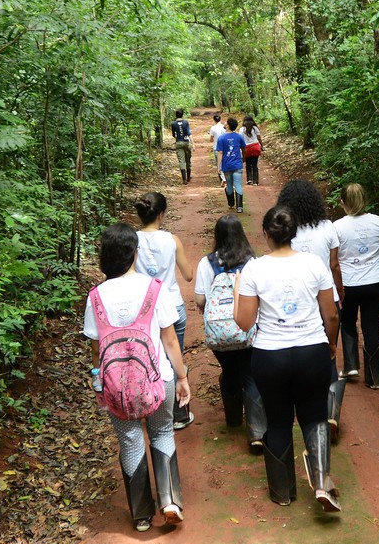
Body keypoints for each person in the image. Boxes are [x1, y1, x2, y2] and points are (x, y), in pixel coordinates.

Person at [84, 223, 192, 532]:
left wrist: (97, 383)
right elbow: (170, 340)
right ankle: (170, 500)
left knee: (129, 440)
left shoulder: (96, 297)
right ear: (134, 253)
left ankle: (142, 515)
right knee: (161, 433)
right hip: (158, 378)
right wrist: (182, 377)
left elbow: (96, 351)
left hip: (116, 387)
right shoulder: (153, 288)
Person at [235, 206, 341, 512]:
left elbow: (244, 322)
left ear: (266, 235)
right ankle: (321, 484)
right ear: (294, 234)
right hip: (312, 351)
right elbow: (331, 313)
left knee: (278, 421)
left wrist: (239, 287)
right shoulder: (314, 264)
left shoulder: (255, 269)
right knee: (314, 417)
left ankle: (282, 491)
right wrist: (330, 345)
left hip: (270, 356)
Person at [277, 179, 345, 442]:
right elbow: (334, 264)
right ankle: (330, 413)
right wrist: (341, 290)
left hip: (299, 299)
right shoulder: (328, 228)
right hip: (328, 298)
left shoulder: (285, 230)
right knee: (329, 354)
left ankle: (303, 404)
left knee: (302, 347)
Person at [193, 215, 266, 451]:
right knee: (250, 374)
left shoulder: (207, 263)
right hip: (247, 331)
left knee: (229, 371)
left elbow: (200, 298)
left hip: (220, 335)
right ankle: (256, 432)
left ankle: (234, 419)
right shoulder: (252, 262)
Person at [134, 192, 196, 427]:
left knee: (148, 357)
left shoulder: (132, 240)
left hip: (144, 309)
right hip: (172, 305)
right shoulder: (172, 240)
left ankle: (151, 407)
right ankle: (178, 414)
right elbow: (189, 276)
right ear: (161, 214)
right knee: (173, 357)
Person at [334, 184, 379, 389]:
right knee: (371, 325)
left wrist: (338, 286)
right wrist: (378, 273)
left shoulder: (338, 227)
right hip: (376, 282)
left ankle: (351, 366)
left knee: (348, 321)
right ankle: (375, 378)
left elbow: (335, 262)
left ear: (343, 202)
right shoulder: (378, 222)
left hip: (350, 285)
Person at [215, 118, 247, 213]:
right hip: (237, 164)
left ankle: (231, 203)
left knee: (229, 184)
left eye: (226, 122)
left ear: (228, 125)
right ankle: (239, 206)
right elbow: (244, 149)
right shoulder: (239, 137)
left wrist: (218, 166)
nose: (224, 123)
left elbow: (220, 153)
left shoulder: (221, 138)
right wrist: (244, 158)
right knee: (238, 184)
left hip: (227, 165)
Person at [170, 109, 193, 184]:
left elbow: (173, 134)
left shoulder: (173, 123)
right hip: (186, 142)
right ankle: (189, 177)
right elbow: (189, 133)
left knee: (181, 161)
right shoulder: (186, 122)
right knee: (188, 160)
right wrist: (193, 143)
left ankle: (184, 179)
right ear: (182, 115)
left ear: (176, 115)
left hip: (179, 142)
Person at [240, 115, 263, 186]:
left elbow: (240, 139)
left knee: (248, 164)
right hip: (255, 147)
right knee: (254, 164)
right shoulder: (255, 128)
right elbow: (259, 138)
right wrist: (262, 146)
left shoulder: (242, 129)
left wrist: (240, 148)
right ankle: (255, 181)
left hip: (246, 148)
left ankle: (249, 179)